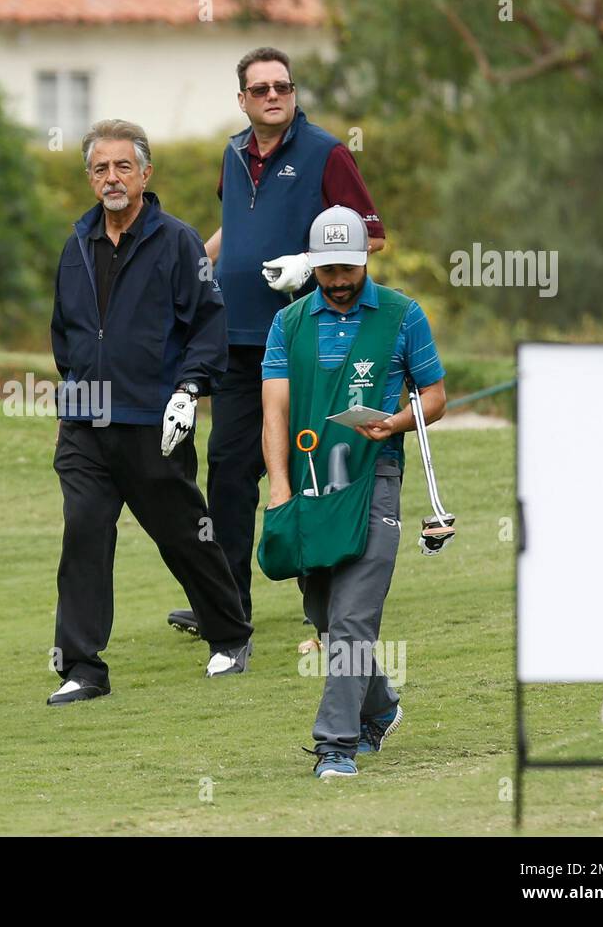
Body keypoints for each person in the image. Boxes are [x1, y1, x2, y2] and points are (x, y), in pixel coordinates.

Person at [168, 46, 387, 636]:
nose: (272, 96)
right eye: (260, 89)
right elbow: (234, 228)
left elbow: (372, 236)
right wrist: (189, 265)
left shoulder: (326, 153)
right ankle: (227, 603)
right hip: (238, 338)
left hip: (309, 337)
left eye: (282, 87)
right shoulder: (234, 153)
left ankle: (330, 595)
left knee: (312, 461)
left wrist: (311, 260)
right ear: (242, 99)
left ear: (293, 94)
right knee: (229, 469)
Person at [47, 119, 254, 707]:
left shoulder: (178, 241)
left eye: (122, 167)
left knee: (182, 532)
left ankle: (231, 633)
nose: (111, 177)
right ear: (90, 178)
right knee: (84, 533)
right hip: (86, 424)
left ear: (145, 174)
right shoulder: (77, 242)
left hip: (154, 421)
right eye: (100, 168)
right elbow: (65, 331)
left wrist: (189, 390)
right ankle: (83, 668)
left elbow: (207, 325)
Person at [259, 205, 445, 779]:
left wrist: (395, 424)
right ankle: (381, 705)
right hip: (311, 483)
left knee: (353, 618)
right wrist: (279, 489)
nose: (338, 281)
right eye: (327, 270)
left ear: (364, 260)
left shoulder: (403, 315)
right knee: (322, 610)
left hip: (375, 480)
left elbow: (434, 398)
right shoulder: (288, 324)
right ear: (312, 266)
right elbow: (275, 412)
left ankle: (335, 744)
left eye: (348, 268)